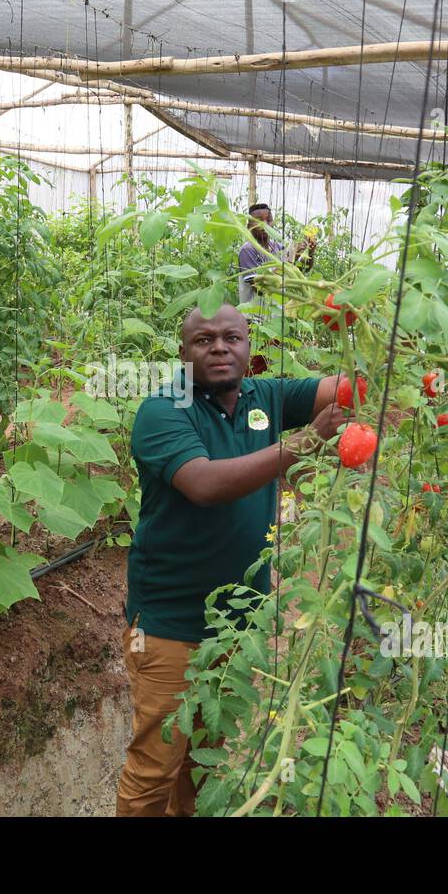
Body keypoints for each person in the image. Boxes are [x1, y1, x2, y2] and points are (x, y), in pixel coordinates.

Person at [114, 303, 350, 816]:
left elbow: (343, 386)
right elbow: (206, 484)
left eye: (231, 338)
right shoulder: (163, 409)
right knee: (156, 766)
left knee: (205, 761)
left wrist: (378, 342)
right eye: (203, 340)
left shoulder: (265, 394)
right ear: (183, 352)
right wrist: (307, 441)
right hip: (167, 626)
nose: (219, 348)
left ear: (248, 346)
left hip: (237, 626)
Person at [237, 202, 318, 374]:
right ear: (248, 225)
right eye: (259, 220)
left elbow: (302, 269)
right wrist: (288, 260)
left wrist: (308, 253)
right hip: (256, 323)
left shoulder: (277, 248)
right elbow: (261, 286)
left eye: (269, 220)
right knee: (254, 369)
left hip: (276, 322)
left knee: (272, 369)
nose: (265, 224)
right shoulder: (248, 250)